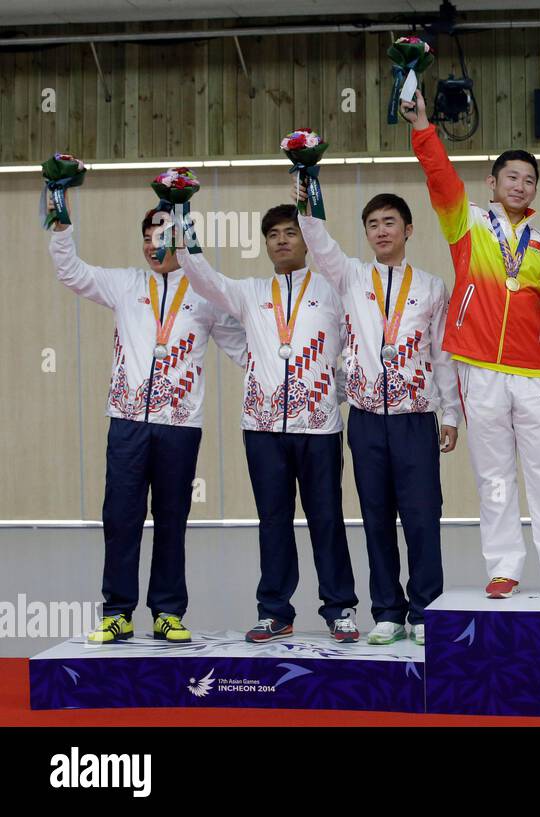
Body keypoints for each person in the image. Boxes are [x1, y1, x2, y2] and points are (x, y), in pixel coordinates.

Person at [404, 91, 540, 599]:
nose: (520, 186)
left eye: (529, 180)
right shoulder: (468, 224)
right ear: (493, 183)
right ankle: (503, 567)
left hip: (532, 374)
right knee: (495, 476)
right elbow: (440, 180)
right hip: (478, 369)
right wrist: (423, 128)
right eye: (512, 177)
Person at [47, 190, 246, 645]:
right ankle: (117, 612)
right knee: (120, 518)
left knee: (172, 519)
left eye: (164, 236)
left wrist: (303, 379)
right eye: (148, 237)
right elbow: (71, 272)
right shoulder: (123, 284)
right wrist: (61, 226)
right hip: (127, 422)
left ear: (181, 242)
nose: (155, 246)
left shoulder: (207, 294)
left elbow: (243, 349)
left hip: (179, 426)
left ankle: (168, 612)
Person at [178, 204, 360, 643]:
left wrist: (329, 394)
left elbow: (355, 346)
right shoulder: (249, 291)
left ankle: (340, 609)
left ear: (307, 240)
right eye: (273, 234)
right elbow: (203, 278)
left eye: (290, 233)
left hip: (319, 428)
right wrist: (182, 220)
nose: (281, 240)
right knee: (272, 520)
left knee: (327, 519)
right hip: (261, 428)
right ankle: (275, 610)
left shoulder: (334, 290)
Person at [296, 184, 460, 646]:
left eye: (390, 223)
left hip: (415, 416)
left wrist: (450, 414)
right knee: (376, 516)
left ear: (408, 229)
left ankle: (426, 609)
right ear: (365, 234)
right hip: (367, 418)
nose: (381, 231)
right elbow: (317, 238)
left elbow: (442, 353)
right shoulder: (349, 276)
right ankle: (387, 610)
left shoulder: (431, 287)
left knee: (423, 516)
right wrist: (307, 186)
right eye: (372, 224)